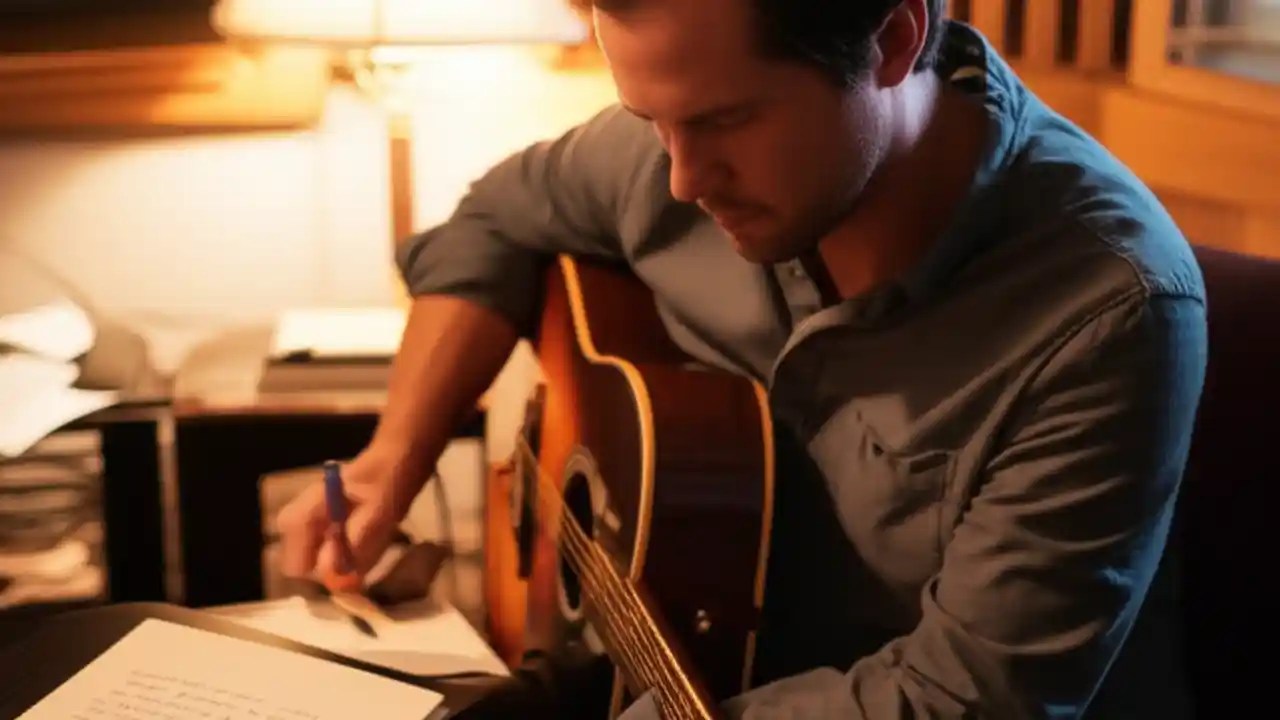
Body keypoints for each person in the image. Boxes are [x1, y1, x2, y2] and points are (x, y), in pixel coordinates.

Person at [277, 0, 1208, 717]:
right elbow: (491, 222)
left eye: (725, 122)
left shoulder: (1108, 311)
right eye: (650, 119)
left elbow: (962, 700)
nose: (681, 179)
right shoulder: (673, 157)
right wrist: (394, 458)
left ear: (890, 40)